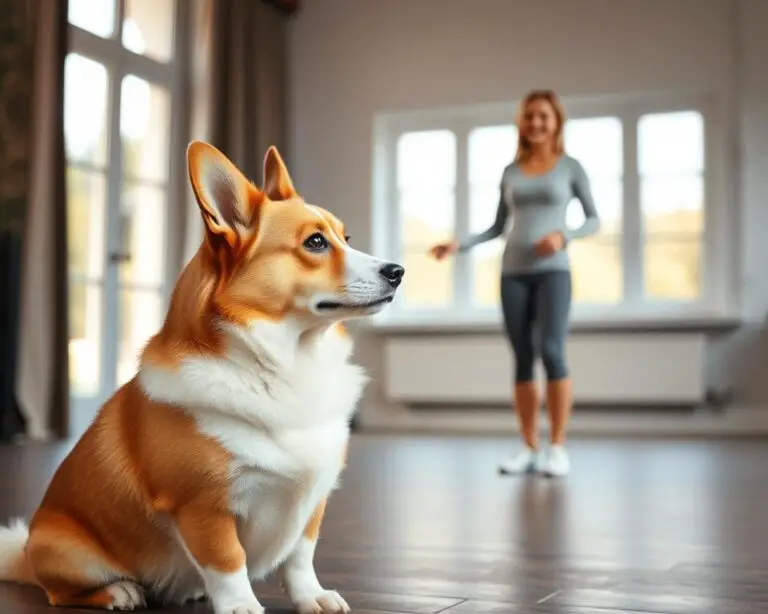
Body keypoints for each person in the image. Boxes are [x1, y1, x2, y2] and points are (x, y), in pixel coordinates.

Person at [429, 89, 599, 477]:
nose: (536, 122)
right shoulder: (511, 171)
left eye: (543, 116)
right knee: (522, 356)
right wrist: (459, 244)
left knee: (552, 351)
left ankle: (557, 447)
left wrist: (564, 236)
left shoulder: (570, 167)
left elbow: (594, 220)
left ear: (556, 122)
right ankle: (528, 447)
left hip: (554, 272)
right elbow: (497, 227)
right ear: (521, 123)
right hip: (513, 274)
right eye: (529, 116)